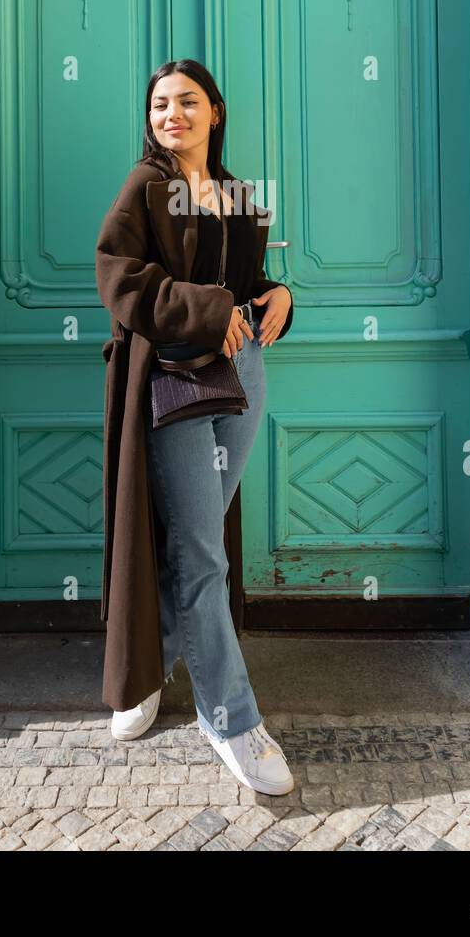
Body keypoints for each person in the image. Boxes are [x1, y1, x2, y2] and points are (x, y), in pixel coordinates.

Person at [95, 58, 295, 794]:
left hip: (241, 375)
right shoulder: (144, 188)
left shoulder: (240, 195)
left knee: (198, 542)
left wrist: (278, 297)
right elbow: (118, 274)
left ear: (215, 109)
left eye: (185, 102)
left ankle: (151, 663)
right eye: (157, 105)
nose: (170, 115)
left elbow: (245, 284)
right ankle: (232, 721)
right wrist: (209, 311)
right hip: (174, 381)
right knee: (203, 554)